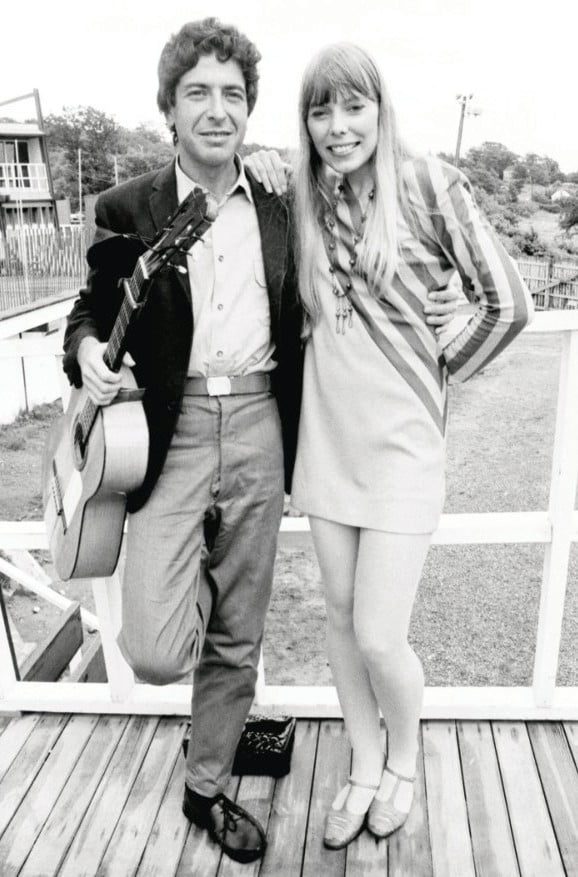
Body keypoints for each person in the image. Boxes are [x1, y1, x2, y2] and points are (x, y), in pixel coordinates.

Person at [62, 21, 459, 864]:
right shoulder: (127, 206)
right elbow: (89, 311)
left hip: (260, 425)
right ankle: (220, 686)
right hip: (166, 436)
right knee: (154, 647)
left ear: (250, 111)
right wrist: (91, 352)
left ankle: (207, 781)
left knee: (243, 629)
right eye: (197, 93)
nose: (217, 109)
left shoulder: (285, 201)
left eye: (233, 95)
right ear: (168, 108)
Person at [246, 42, 533, 850]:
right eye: (320, 109)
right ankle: (364, 765)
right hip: (326, 442)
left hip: (403, 448)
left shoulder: (429, 183)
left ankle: (403, 760)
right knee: (337, 620)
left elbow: (507, 304)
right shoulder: (307, 192)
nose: (338, 127)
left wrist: (445, 362)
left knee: (379, 631)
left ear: (381, 106)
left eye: (353, 105)